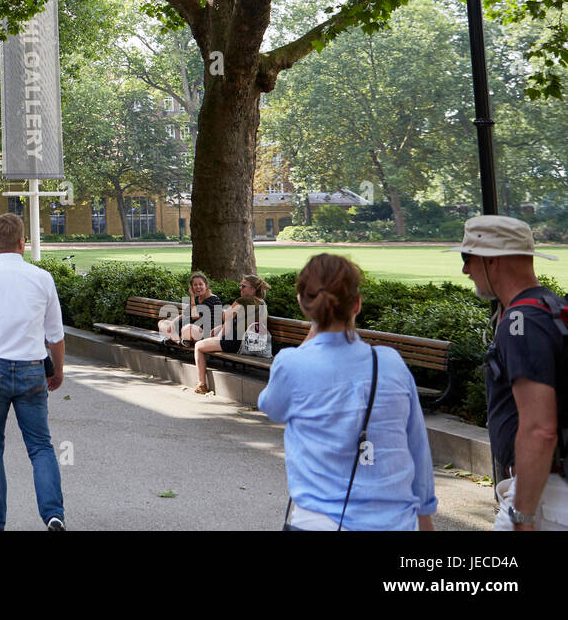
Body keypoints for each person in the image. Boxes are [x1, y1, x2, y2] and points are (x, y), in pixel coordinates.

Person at [258, 253, 437, 531]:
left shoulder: (292, 364)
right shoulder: (390, 363)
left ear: (303, 304)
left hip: (320, 521)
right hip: (397, 522)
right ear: (357, 303)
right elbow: (417, 446)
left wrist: (314, 330)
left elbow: (271, 407)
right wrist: (424, 515)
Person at [453, 215, 566, 531]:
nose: (465, 270)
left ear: (492, 261)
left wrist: (523, 516)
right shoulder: (550, 308)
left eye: (468, 258)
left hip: (546, 496)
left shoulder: (521, 321)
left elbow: (540, 429)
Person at [0, 212, 66, 532]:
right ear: (22, 241)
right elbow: (55, 336)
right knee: (41, 446)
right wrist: (57, 371)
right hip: (33, 371)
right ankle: (53, 513)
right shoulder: (42, 278)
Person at [194, 274, 269, 394]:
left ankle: (202, 384)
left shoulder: (243, 300)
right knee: (212, 336)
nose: (240, 288)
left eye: (243, 286)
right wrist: (221, 327)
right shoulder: (262, 303)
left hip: (235, 343)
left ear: (253, 289)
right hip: (251, 344)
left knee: (198, 346)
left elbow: (226, 316)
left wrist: (223, 326)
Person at [158, 271, 222, 347]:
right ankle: (178, 341)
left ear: (206, 285)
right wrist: (172, 323)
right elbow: (185, 314)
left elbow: (195, 316)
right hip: (187, 330)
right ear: (192, 287)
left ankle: (175, 339)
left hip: (204, 333)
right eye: (195, 285)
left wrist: (191, 296)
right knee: (162, 323)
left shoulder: (213, 300)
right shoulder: (197, 298)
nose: (198, 287)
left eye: (200, 284)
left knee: (188, 328)